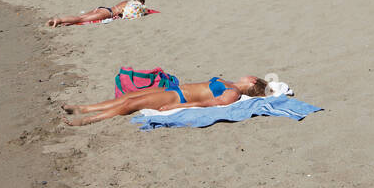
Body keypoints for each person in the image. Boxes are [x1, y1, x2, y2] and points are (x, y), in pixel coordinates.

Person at [63, 75, 269, 125]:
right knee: (129, 96)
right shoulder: (230, 84)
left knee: (130, 104)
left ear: (251, 81)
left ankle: (87, 119)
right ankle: (83, 108)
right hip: (175, 89)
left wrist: (177, 106)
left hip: (178, 96)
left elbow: (208, 104)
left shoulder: (233, 93)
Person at [46, 0, 147, 26]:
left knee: (80, 17)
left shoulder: (127, 0)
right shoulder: (134, 4)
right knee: (80, 19)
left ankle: (59, 21)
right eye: (143, 1)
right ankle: (58, 20)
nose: (143, 3)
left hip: (103, 9)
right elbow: (125, 13)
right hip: (108, 13)